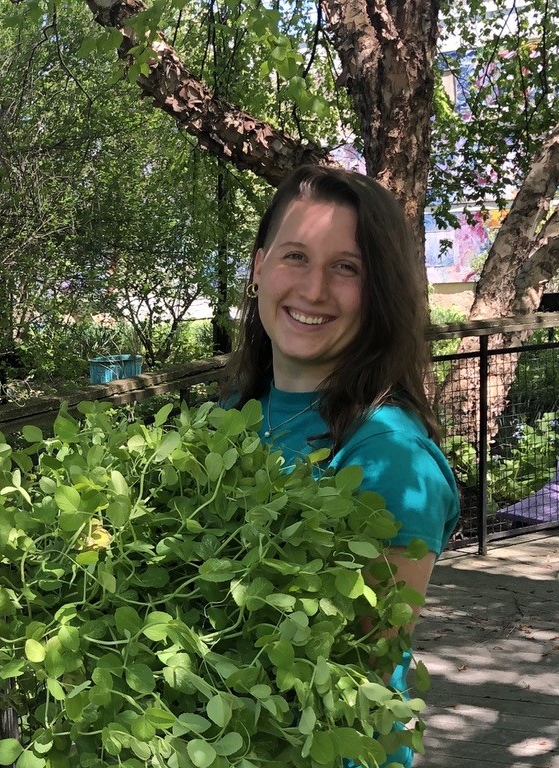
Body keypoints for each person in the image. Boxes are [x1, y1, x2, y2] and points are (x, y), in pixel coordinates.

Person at [223, 165, 460, 768]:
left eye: (346, 267)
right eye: (295, 256)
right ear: (258, 267)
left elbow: (354, 662)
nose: (314, 288)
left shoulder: (391, 460)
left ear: (378, 290)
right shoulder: (229, 418)